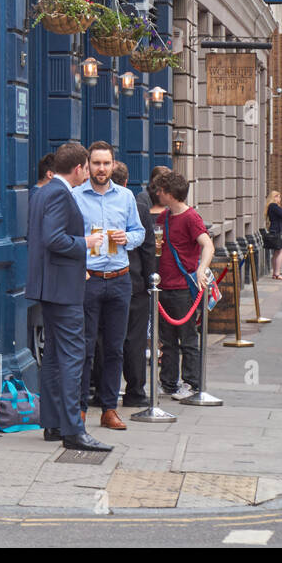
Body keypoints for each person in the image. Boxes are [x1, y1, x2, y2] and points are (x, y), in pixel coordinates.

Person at [26, 141, 112, 452]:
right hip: (62, 288)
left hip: (49, 286)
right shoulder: (60, 194)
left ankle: (52, 424)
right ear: (78, 168)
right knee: (72, 357)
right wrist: (87, 241)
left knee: (51, 358)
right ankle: (73, 430)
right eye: (88, 168)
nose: (89, 173)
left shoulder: (43, 191)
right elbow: (54, 239)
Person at [72, 142, 143, 431]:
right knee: (85, 348)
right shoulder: (75, 197)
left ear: (114, 165)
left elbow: (139, 232)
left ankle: (109, 408)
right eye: (96, 163)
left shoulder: (126, 197)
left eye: (106, 163)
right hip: (87, 279)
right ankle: (78, 409)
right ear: (87, 166)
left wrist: (128, 238)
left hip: (118, 279)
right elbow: (65, 236)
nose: (101, 169)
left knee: (115, 348)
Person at [153, 171, 214, 400]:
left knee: (187, 337)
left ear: (170, 194)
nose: (157, 193)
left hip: (181, 287)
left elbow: (207, 245)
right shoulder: (164, 218)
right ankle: (168, 382)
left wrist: (201, 269)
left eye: (160, 190)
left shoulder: (191, 217)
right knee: (166, 340)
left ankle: (191, 382)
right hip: (164, 284)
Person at [112, 162, 156, 408]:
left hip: (107, 279)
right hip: (135, 281)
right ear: (127, 182)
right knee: (134, 339)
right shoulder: (139, 208)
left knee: (106, 338)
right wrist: (151, 280)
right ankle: (135, 391)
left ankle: (102, 390)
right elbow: (148, 248)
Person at [264, 190, 282, 279]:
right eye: (278, 196)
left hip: (278, 231)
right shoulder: (273, 206)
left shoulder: (272, 207)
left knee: (277, 252)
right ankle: (277, 273)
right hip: (279, 232)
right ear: (274, 197)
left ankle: (275, 273)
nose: (280, 198)